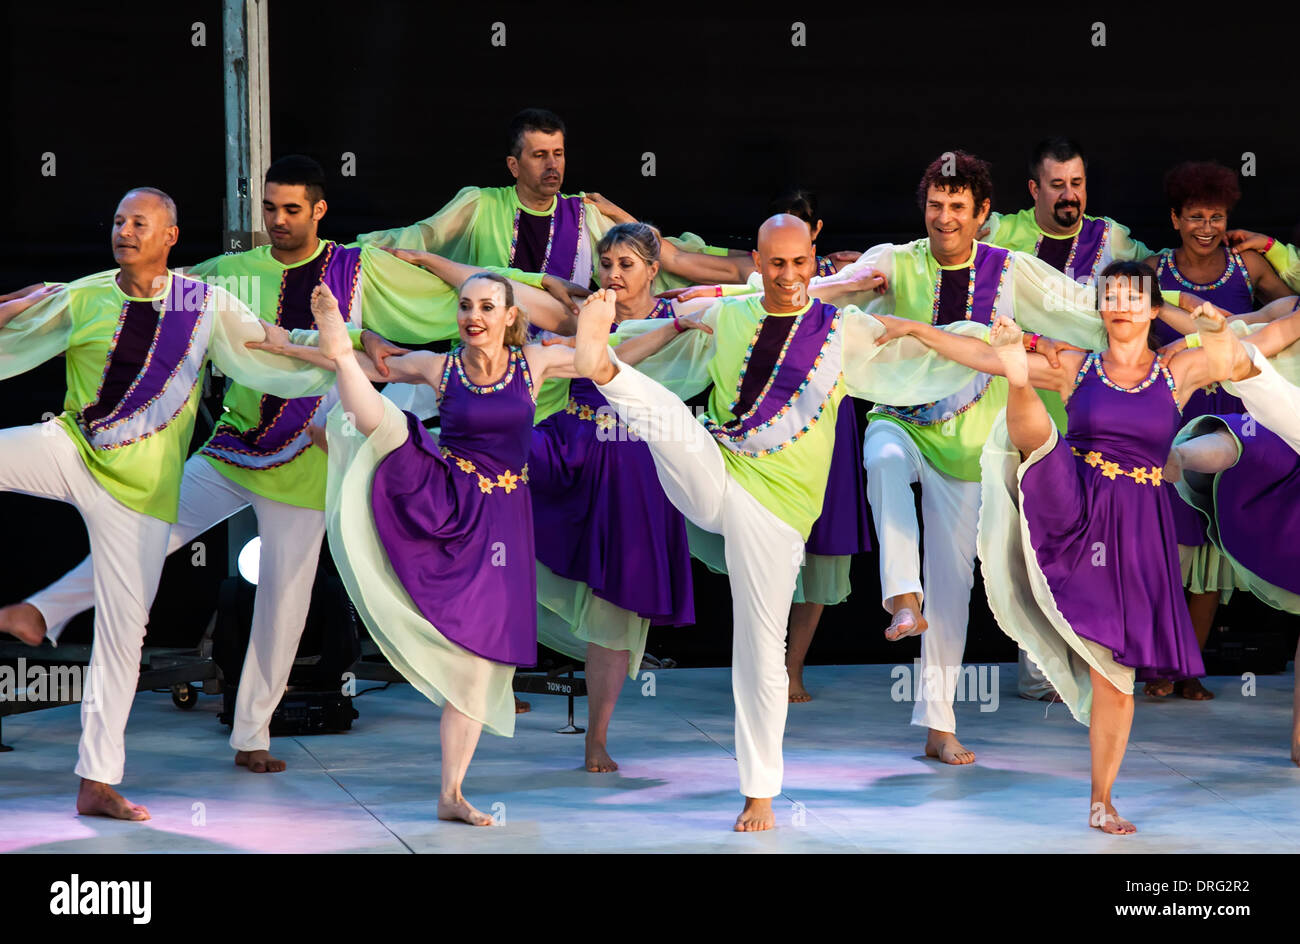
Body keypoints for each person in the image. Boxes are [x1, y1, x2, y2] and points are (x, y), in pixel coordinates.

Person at [9, 157, 573, 771]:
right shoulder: (233, 273)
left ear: (319, 211)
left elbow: (470, 294)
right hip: (235, 445)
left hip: (307, 457)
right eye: (270, 209)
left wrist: (536, 288)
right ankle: (48, 609)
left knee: (284, 603)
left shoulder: (360, 270)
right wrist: (52, 300)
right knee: (150, 532)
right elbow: (149, 283)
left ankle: (252, 735)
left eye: (291, 210)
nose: (278, 221)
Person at [254, 275, 707, 823]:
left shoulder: (535, 363)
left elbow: (605, 360)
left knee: (482, 657)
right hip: (447, 498)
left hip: (504, 521)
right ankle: (337, 347)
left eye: (487, 307)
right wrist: (293, 346)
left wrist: (662, 325)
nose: (474, 316)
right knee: (381, 418)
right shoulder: (440, 368)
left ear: (510, 316)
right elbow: (383, 369)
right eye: (466, 306)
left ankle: (451, 795)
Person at [0, 188, 336, 819]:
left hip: (144, 495)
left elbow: (266, 345)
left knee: (125, 639)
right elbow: (14, 331)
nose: (125, 231)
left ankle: (96, 781)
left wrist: (341, 357)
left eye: (139, 223)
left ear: (170, 238)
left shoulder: (203, 303)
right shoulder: (84, 294)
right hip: (72, 448)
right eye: (120, 221)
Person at [873, 260, 1237, 833]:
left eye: (1133, 297)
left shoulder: (1179, 370)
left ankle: (1103, 800)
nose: (1120, 305)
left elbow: (1257, 343)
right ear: (1100, 307)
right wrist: (918, 330)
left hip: (1139, 530)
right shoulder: (1076, 365)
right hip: (1075, 503)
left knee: (1114, 674)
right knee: (1033, 416)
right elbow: (979, 355)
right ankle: (1022, 383)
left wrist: (1194, 316)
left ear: (1150, 307)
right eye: (1111, 296)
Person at [810, 151, 1106, 762]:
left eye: (957, 208)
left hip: (971, 442)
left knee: (955, 587)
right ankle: (901, 597)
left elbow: (1083, 311)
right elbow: (809, 298)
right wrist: (852, 286)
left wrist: (1150, 328)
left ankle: (939, 726)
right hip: (902, 422)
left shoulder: (1010, 269)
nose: (944, 218)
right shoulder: (892, 261)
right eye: (935, 205)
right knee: (882, 461)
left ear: (982, 214)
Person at [528, 222, 704, 771]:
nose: (613, 275)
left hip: (636, 476)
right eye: (606, 264)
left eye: (627, 265)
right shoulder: (589, 319)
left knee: (615, 612)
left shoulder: (686, 319)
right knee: (498, 539)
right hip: (573, 457)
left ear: (654, 269)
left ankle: (596, 736)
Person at [1146, 162, 1293, 698]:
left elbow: (1288, 312)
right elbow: (1119, 327)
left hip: (1237, 419)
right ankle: (1159, 665)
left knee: (1214, 546)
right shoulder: (1152, 269)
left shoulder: (1246, 265)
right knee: (1168, 549)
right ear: (1175, 218)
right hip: (1172, 412)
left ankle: (1188, 671)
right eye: (1194, 217)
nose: (1206, 227)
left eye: (1217, 216)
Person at [1167, 295, 1300, 764]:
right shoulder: (1295, 310)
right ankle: (1173, 458)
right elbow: (1263, 336)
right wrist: (1191, 352)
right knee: (1245, 434)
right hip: (1286, 440)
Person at [983, 137, 1151, 283]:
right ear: (1035, 189)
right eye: (1057, 186)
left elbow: (1162, 270)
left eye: (1076, 183)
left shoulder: (1107, 235)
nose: (1069, 195)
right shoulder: (998, 231)